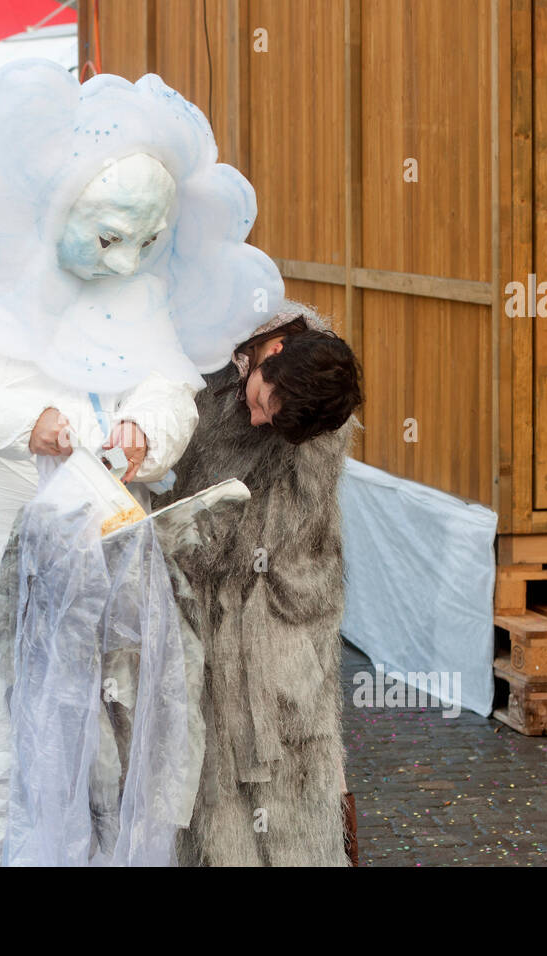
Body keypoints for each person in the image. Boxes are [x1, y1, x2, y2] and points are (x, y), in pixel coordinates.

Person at [0, 60, 282, 866]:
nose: (126, 261)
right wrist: (30, 421)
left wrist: (142, 435)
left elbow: (169, 388)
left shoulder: (137, 289)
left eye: (147, 242)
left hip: (90, 554)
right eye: (106, 238)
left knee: (87, 754)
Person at [159, 299, 363, 867]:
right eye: (257, 405)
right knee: (205, 762)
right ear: (270, 352)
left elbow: (289, 529)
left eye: (267, 421)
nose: (254, 422)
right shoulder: (213, 327)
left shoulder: (317, 407)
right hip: (204, 591)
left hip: (277, 604)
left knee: (289, 750)